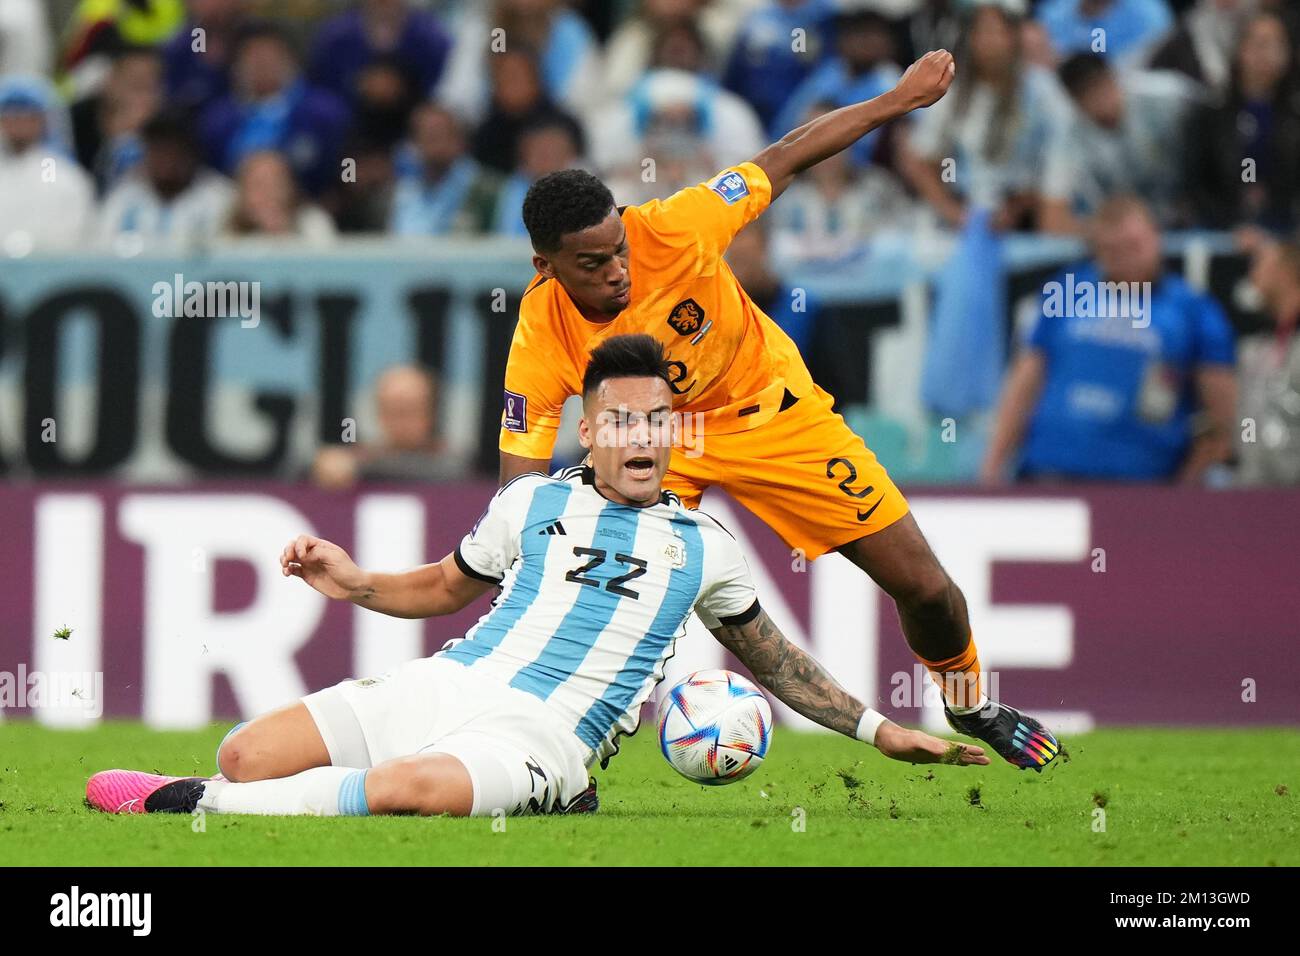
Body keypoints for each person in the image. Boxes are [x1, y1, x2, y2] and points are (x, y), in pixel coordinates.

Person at [85, 335, 996, 819]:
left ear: (676, 436)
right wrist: (357, 582)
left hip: (551, 732)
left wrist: (881, 732)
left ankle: (185, 806)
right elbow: (445, 588)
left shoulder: (703, 543)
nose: (643, 439)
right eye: (622, 423)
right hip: (454, 679)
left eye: (658, 423)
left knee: (409, 792)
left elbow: (777, 662)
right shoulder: (531, 505)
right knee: (246, 753)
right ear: (590, 433)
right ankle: (222, 788)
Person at [496, 50, 1063, 771]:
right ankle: (567, 757)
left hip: (776, 416)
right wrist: (525, 563)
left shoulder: (676, 226)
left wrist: (896, 99)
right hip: (656, 445)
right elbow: (519, 492)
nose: (619, 270)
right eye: (594, 263)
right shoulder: (540, 336)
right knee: (601, 607)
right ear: (544, 267)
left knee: (926, 587)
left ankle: (971, 701)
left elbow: (786, 157)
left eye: (619, 249)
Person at [981, 197, 1237, 483]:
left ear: (1156, 237)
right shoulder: (1068, 291)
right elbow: (1026, 378)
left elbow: (1222, 407)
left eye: (1134, 246)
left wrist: (1189, 481)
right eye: (1112, 252)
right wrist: (993, 461)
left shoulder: (1194, 310)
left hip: (1145, 484)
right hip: (1051, 472)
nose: (1127, 260)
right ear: (1097, 253)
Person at [311, 365, 470, 488]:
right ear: (379, 412)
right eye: (392, 409)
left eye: (409, 409)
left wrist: (359, 467)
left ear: (431, 411)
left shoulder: (454, 462)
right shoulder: (362, 456)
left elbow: (445, 472)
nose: (401, 420)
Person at [1237, 240, 1300, 484]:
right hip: (1258, 493)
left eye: (1261, 264)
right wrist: (1247, 463)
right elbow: (1248, 421)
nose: (1253, 275)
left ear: (1285, 273)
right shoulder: (1256, 350)